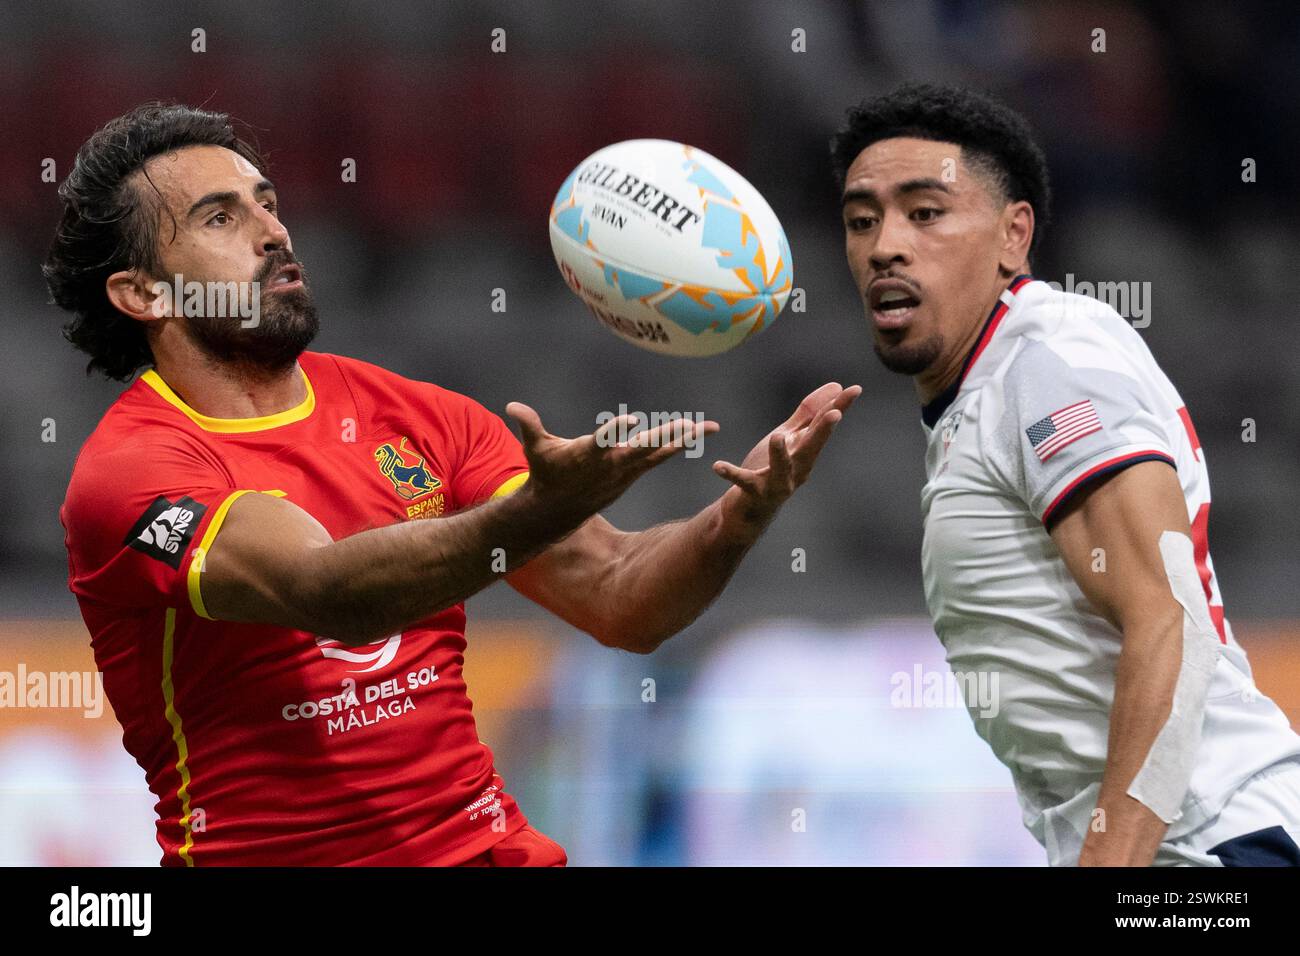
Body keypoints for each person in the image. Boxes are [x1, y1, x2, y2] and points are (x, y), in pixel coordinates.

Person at [47, 102, 859, 866]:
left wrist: (736, 521)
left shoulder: (417, 415)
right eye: (221, 217)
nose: (272, 232)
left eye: (269, 203)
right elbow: (327, 591)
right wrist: (538, 512)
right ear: (143, 292)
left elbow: (622, 598)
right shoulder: (131, 474)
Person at [831, 82, 1300, 866]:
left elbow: (1169, 621)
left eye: (926, 211)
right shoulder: (984, 389)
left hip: (1218, 847)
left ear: (1015, 235)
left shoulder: (1047, 361)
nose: (885, 245)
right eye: (861, 219)